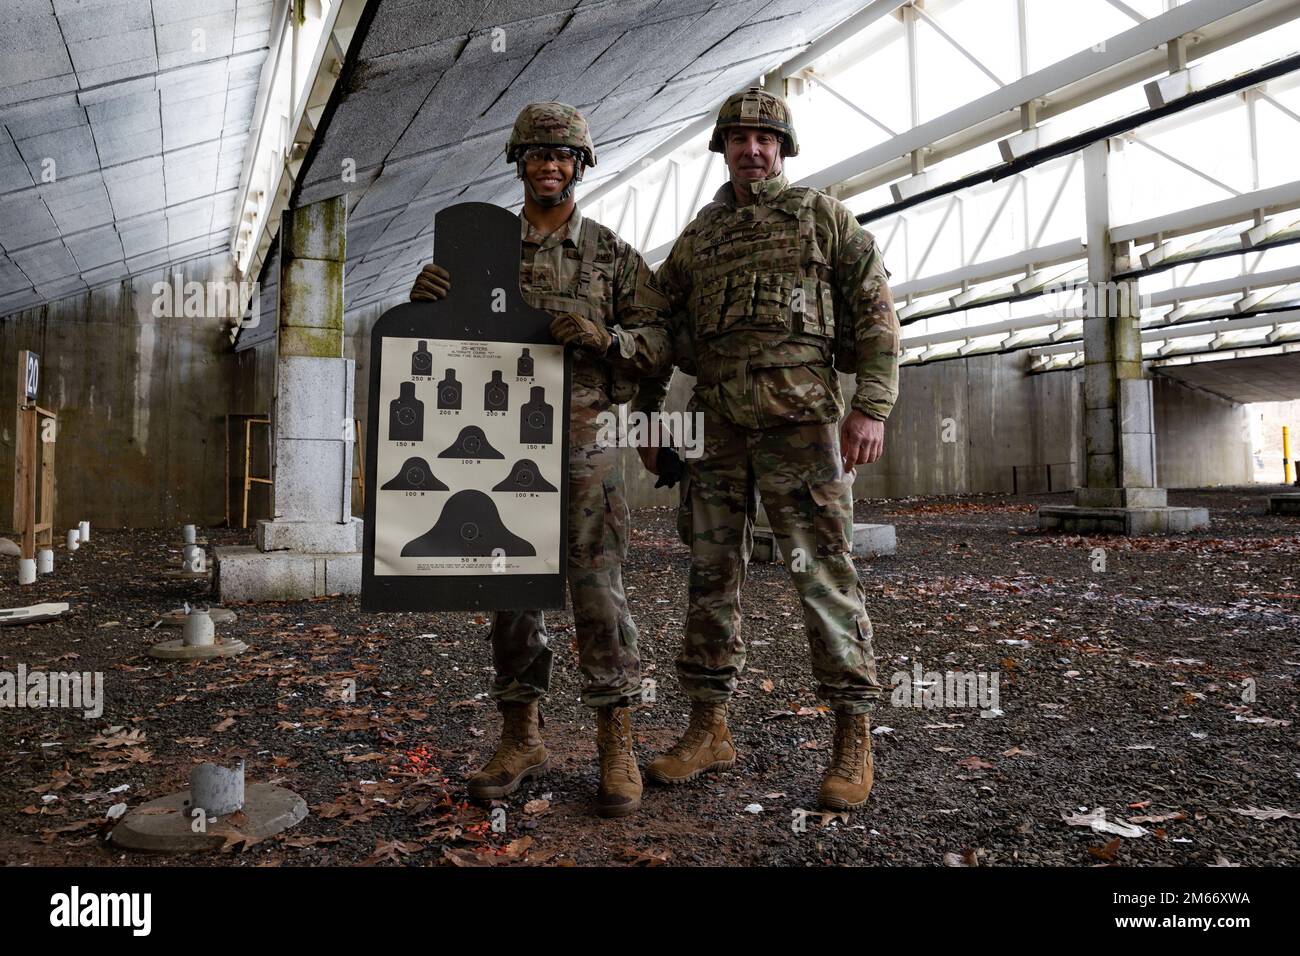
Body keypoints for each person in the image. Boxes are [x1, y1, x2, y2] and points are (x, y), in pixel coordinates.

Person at [633, 87, 900, 811]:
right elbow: (653, 327)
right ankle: (708, 726)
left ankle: (852, 731)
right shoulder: (700, 237)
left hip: (802, 426)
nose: (753, 149)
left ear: (783, 148)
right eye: (740, 138)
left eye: (766, 138)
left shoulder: (823, 218)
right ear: (722, 148)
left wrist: (871, 407)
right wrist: (648, 418)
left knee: (822, 575)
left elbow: (876, 314)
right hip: (716, 425)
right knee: (710, 577)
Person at [410, 102, 669, 817]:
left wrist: (606, 339)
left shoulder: (612, 255)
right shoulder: (483, 250)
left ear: (580, 166)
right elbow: (445, 345)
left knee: (598, 591)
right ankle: (521, 734)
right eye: (537, 154)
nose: (550, 166)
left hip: (584, 441)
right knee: (510, 587)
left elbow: (662, 340)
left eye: (563, 155)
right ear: (518, 162)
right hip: (500, 445)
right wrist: (425, 301)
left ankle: (616, 738)